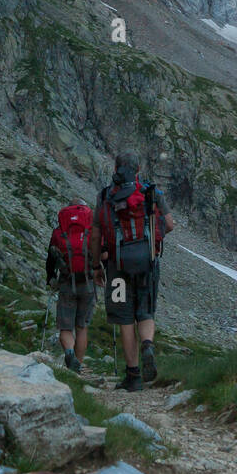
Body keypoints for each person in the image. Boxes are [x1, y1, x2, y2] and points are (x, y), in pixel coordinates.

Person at [91, 152, 174, 392]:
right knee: (145, 312)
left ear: (116, 167)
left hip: (117, 269)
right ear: (138, 169)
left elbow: (96, 234)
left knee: (125, 319)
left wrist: (97, 266)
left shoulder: (106, 196)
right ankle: (147, 344)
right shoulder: (152, 193)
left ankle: (133, 375)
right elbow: (168, 224)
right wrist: (151, 240)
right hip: (147, 263)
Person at [46, 201, 96, 373]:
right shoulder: (91, 231)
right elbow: (102, 253)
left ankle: (68, 352)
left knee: (66, 327)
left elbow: (51, 257)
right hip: (88, 284)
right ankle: (78, 368)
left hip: (67, 283)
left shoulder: (59, 232)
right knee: (82, 327)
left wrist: (51, 278)